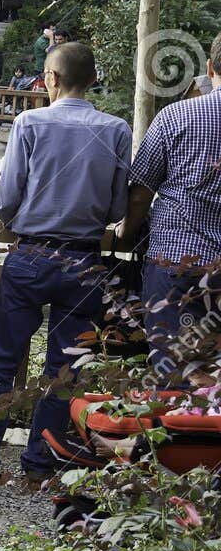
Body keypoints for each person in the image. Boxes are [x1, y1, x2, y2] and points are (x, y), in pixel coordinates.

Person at [0, 42, 131, 488]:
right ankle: (38, 464)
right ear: (92, 79)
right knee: (64, 368)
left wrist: (20, 220)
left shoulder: (29, 122)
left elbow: (9, 197)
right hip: (83, 261)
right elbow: (118, 204)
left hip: (31, 255)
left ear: (50, 78)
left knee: (4, 360)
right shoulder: (116, 129)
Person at [117, 33, 221, 376]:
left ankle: (173, 427)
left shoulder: (174, 117)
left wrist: (128, 234)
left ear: (209, 67)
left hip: (175, 264)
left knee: (172, 372)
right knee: (213, 379)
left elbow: (140, 192)